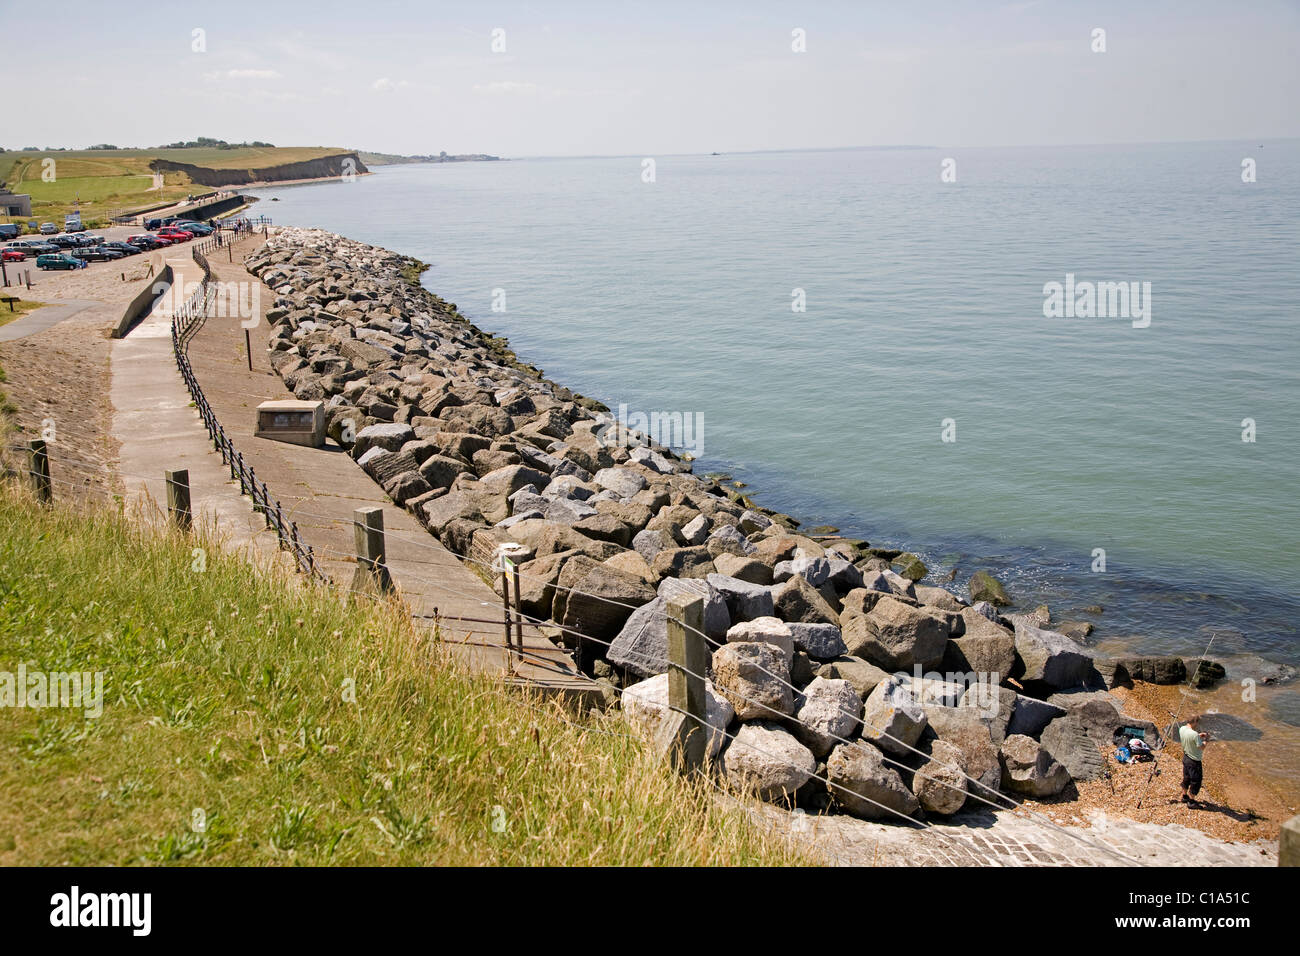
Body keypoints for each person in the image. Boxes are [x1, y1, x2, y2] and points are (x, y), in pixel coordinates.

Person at [1179, 714, 1210, 804]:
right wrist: (1206, 740)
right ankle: (1192, 802)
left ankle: (1184, 796)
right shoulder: (1194, 734)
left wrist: (1199, 736)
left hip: (1186, 758)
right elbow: (1201, 747)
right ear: (1195, 722)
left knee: (1186, 778)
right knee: (1196, 781)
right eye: (1197, 722)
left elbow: (1190, 738)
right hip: (1194, 761)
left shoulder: (1182, 729)